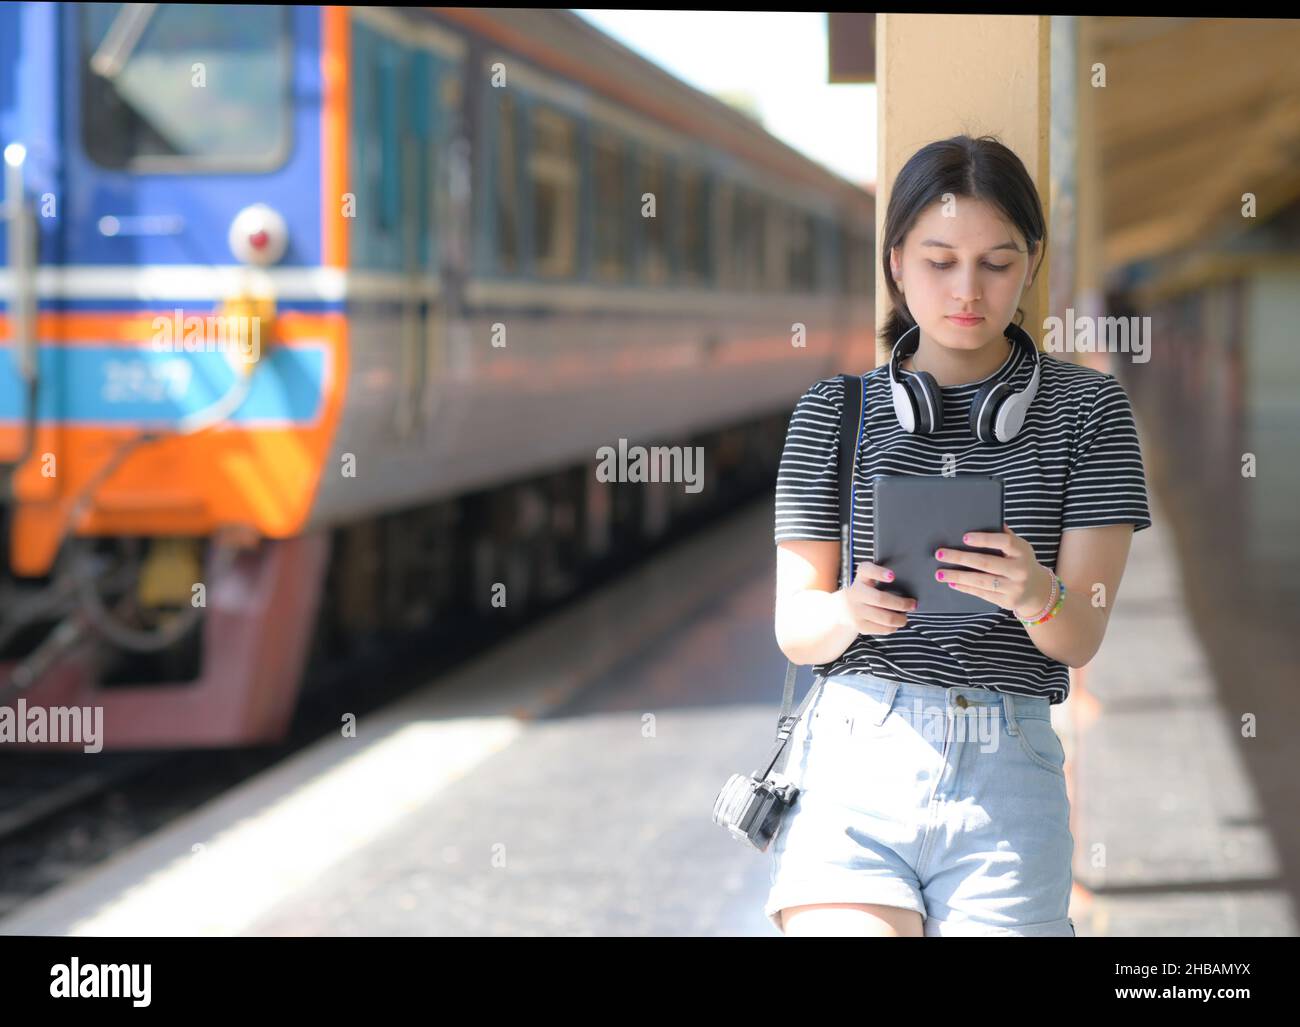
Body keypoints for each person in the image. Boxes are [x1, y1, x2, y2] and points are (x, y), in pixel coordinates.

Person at [766, 134, 1152, 937]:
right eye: (940, 261)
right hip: (854, 758)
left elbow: (1078, 638)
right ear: (897, 260)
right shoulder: (833, 413)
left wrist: (1037, 592)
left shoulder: (1091, 414)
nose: (967, 290)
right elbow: (796, 629)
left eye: (997, 263)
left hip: (1008, 774)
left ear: (1032, 264)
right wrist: (847, 611)